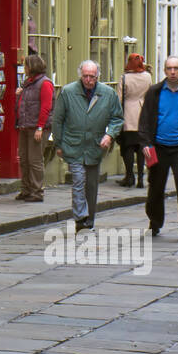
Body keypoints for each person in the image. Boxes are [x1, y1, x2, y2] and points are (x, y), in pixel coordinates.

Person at [48, 60, 123, 232]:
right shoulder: (68, 92)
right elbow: (58, 120)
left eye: (92, 76)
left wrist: (109, 135)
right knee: (79, 181)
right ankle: (80, 218)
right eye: (85, 76)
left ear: (98, 76)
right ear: (80, 75)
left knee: (91, 185)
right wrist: (58, 144)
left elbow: (117, 118)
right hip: (73, 145)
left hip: (95, 147)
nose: (88, 80)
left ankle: (89, 219)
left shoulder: (108, 94)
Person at [138, 56, 178, 240]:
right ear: (164, 71)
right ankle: (154, 224)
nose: (172, 72)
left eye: (176, 68)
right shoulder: (154, 92)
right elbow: (145, 120)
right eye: (169, 68)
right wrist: (146, 143)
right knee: (156, 187)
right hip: (158, 146)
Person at [14, 54, 55, 203]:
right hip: (25, 125)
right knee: (24, 159)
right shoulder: (28, 83)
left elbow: (45, 107)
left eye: (26, 66)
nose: (24, 68)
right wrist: (18, 96)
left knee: (35, 160)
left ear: (32, 67)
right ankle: (26, 189)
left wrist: (40, 127)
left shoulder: (45, 84)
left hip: (37, 128)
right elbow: (23, 105)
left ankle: (37, 191)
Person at [117, 53, 152, 188]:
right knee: (141, 147)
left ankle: (129, 176)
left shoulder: (125, 78)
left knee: (128, 147)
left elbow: (119, 98)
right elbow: (150, 94)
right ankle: (141, 179)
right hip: (143, 114)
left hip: (128, 115)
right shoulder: (148, 77)